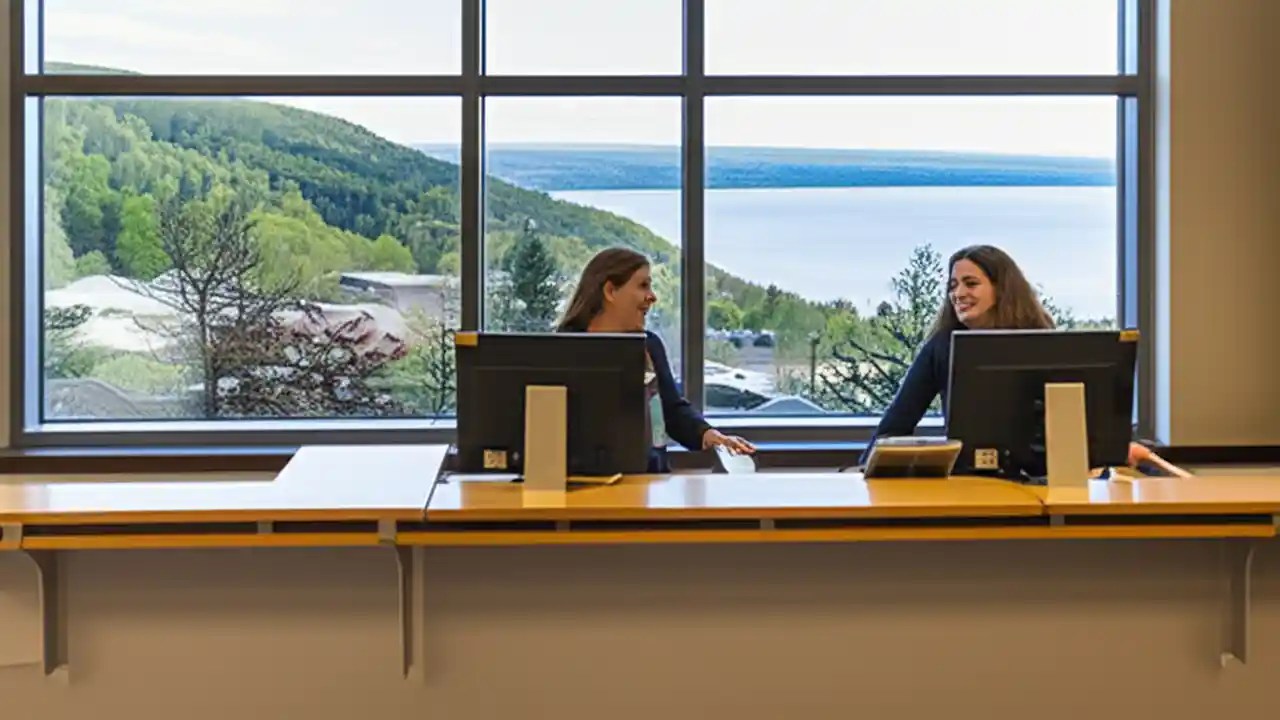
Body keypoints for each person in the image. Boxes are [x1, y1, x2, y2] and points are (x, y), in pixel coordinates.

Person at [861, 244, 1172, 476]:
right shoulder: (940, 347)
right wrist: (863, 471)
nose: (958, 293)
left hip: (1044, 478)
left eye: (971, 283)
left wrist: (1114, 448)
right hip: (969, 480)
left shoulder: (1041, 340)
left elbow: (1077, 414)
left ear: (1001, 289)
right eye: (952, 285)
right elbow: (896, 423)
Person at [557, 247, 756, 472]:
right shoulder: (561, 350)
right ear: (611, 291)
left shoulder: (649, 345)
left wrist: (709, 435)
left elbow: (671, 409)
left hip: (649, 484)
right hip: (580, 490)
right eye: (643, 286)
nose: (652, 297)